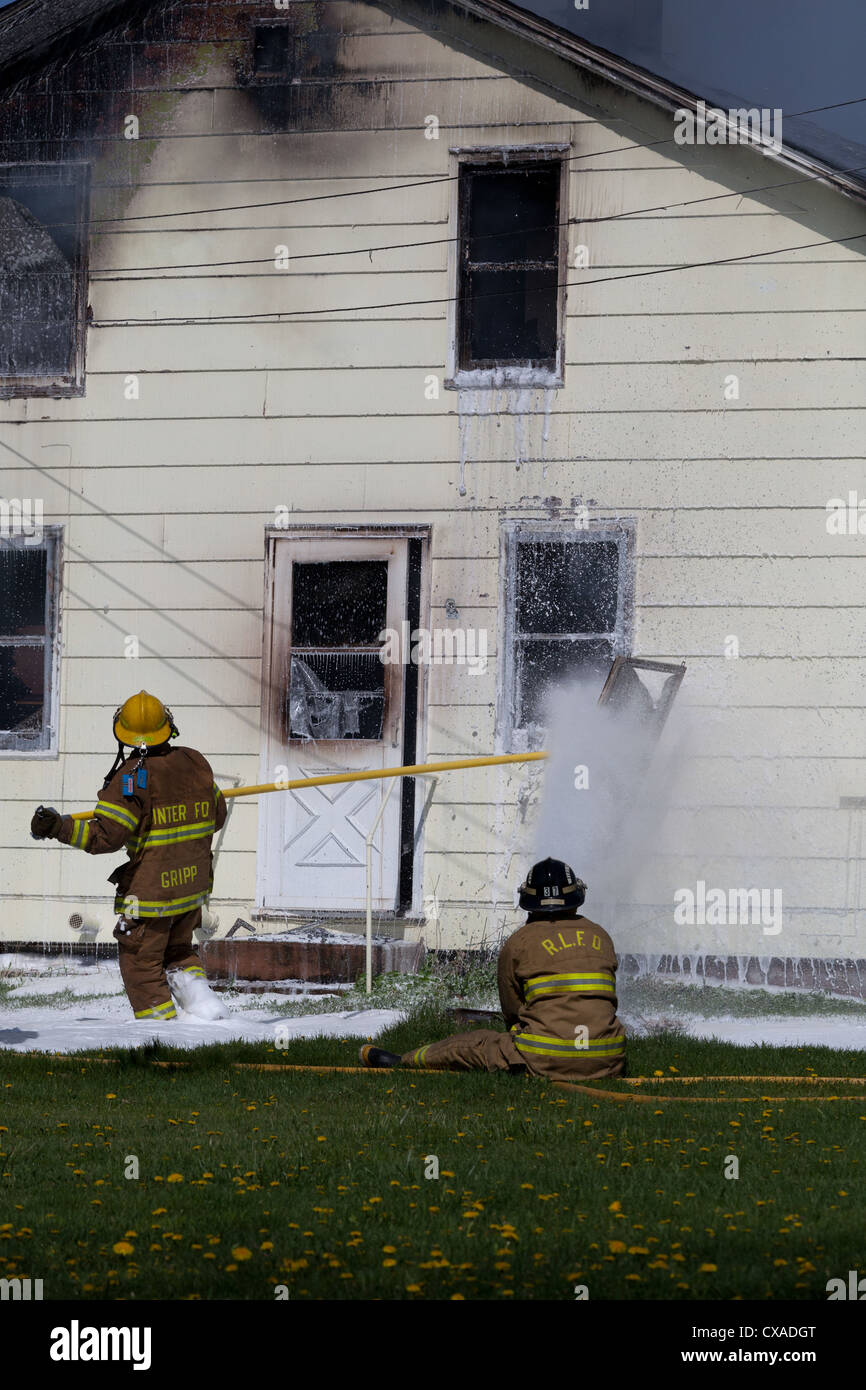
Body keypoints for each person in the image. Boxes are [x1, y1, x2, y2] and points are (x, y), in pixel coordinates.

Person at [30, 691, 229, 1023]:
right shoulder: (195, 762)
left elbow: (105, 837)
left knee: (141, 962)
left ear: (121, 732)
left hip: (150, 898)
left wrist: (57, 827)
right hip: (191, 890)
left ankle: (160, 1036)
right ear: (169, 726)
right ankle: (205, 1007)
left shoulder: (130, 780)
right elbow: (217, 816)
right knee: (178, 952)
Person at [360, 858, 626, 1078]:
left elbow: (513, 1012)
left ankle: (403, 1062)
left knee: (472, 1044)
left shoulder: (519, 942)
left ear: (528, 902)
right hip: (609, 1061)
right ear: (576, 897)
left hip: (542, 1061)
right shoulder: (600, 936)